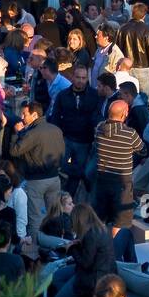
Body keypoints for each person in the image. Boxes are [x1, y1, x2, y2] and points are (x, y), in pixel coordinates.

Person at [10, 101, 66, 241]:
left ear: (34, 115)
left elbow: (15, 151)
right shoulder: (56, 130)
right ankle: (57, 243)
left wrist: (17, 133)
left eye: (25, 114)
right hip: (55, 178)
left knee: (35, 217)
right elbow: (63, 153)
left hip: (36, 180)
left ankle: (36, 248)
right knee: (55, 215)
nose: (22, 117)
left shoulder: (32, 133)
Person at [52, 202, 117, 297]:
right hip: (100, 271)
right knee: (57, 276)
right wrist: (79, 244)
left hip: (93, 277)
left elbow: (85, 263)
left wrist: (71, 249)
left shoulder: (91, 235)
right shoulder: (100, 229)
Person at [49, 64, 101, 199]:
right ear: (73, 77)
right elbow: (55, 116)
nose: (81, 80)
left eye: (84, 78)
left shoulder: (94, 95)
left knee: (78, 172)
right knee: (60, 168)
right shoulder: (63, 95)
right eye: (78, 77)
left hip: (84, 140)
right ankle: (57, 197)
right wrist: (56, 136)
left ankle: (68, 199)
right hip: (66, 138)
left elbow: (97, 116)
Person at [92, 99, 145, 229]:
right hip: (122, 183)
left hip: (102, 179)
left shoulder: (99, 129)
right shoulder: (129, 133)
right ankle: (116, 247)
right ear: (124, 115)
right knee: (121, 222)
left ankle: (101, 246)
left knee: (100, 219)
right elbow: (143, 150)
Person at [115, 2, 149, 101]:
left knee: (126, 98)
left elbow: (117, 49)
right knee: (145, 99)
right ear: (144, 15)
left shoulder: (122, 29)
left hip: (125, 67)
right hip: (142, 67)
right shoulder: (146, 29)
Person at [0, 160, 30, 244]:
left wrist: (19, 240)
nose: (2, 179)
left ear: (11, 176)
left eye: (4, 176)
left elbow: (21, 219)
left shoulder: (18, 193)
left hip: (12, 239)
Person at [91, 23, 123, 90]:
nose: (95, 37)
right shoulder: (99, 50)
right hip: (95, 90)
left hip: (105, 92)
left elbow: (116, 76)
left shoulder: (116, 54)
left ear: (106, 38)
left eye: (98, 35)